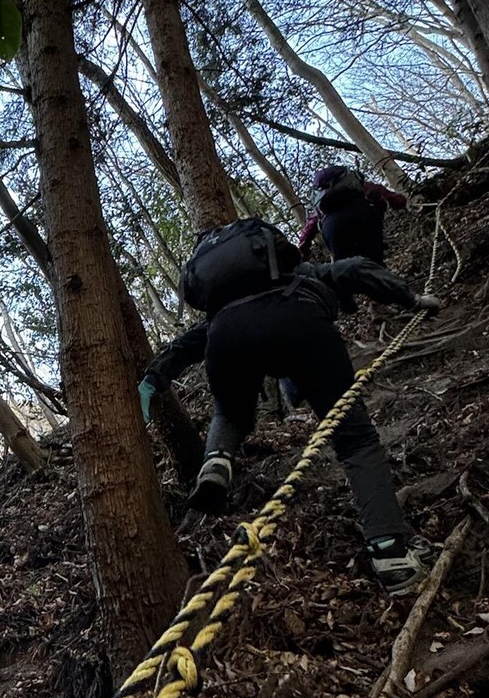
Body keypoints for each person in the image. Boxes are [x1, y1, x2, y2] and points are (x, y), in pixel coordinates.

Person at [138, 217, 440, 594]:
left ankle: (216, 460)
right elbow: (359, 269)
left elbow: (185, 345)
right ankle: (390, 553)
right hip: (300, 322)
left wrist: (152, 379)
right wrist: (411, 299)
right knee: (355, 439)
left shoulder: (222, 309)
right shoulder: (300, 273)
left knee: (230, 412)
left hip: (227, 338)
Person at [299, 164, 408, 264]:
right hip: (364, 217)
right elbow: (398, 201)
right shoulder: (359, 186)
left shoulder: (320, 203)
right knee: (374, 261)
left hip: (332, 228)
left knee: (350, 268)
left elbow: (308, 229)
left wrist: (302, 253)